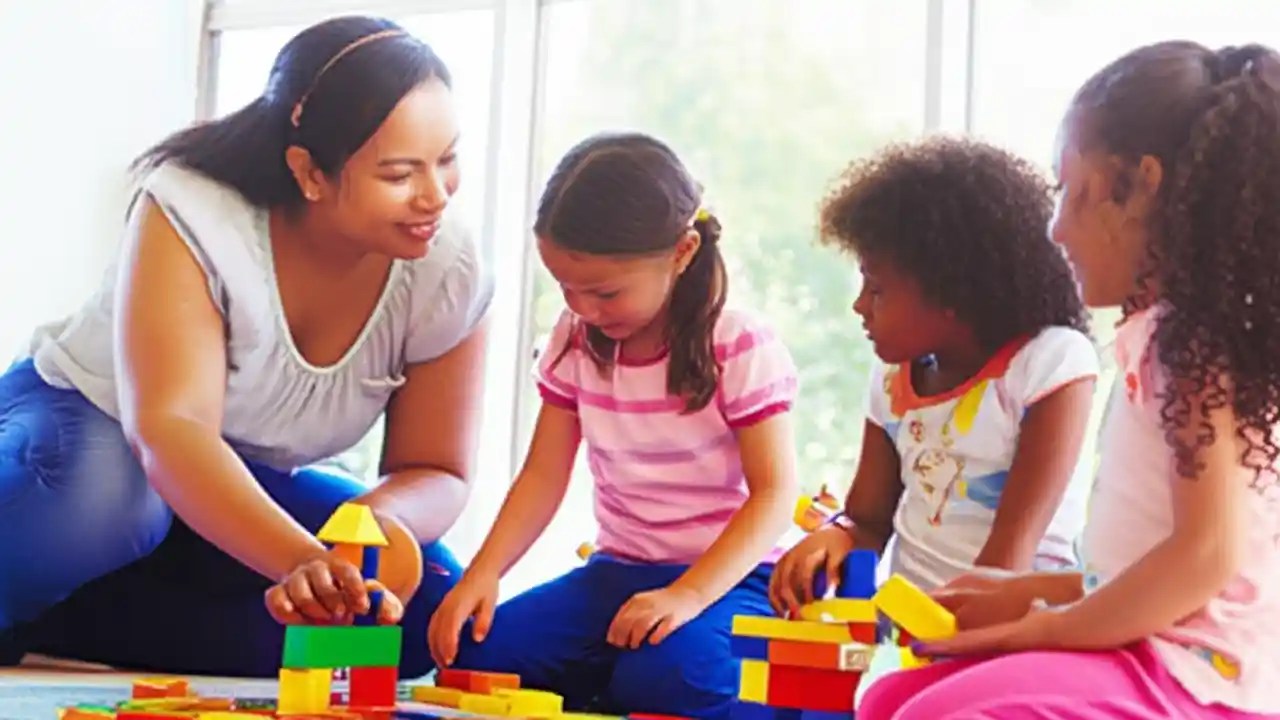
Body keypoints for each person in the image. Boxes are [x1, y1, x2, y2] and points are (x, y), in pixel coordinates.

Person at [0, 15, 492, 677]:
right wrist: (300, 561)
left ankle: (50, 617)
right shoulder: (195, 209)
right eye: (400, 174)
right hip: (93, 434)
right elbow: (171, 430)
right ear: (310, 173)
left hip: (222, 480)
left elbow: (439, 469)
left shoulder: (448, 266)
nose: (435, 195)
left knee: (415, 604)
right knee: (112, 509)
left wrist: (370, 530)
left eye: (448, 159)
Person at [858, 40, 1280, 720]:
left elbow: (1204, 560)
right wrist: (1031, 593)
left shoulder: (1194, 349)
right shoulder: (1162, 338)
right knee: (891, 698)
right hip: (1152, 645)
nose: (1055, 229)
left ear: (1140, 187)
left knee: (928, 715)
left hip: (1198, 675)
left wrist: (1046, 626)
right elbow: (1136, 564)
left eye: (1070, 193)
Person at [425, 132, 800, 719]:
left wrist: (687, 595)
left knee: (671, 675)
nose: (582, 308)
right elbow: (542, 475)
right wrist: (483, 573)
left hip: (732, 578)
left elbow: (776, 494)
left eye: (604, 291)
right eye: (565, 288)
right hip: (617, 573)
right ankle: (619, 682)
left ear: (681, 252)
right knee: (477, 657)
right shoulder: (574, 339)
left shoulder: (738, 342)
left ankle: (654, 683)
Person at [769, 137, 1099, 618]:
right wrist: (834, 538)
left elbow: (1009, 558)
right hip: (911, 627)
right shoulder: (891, 380)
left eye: (877, 289)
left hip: (1012, 625)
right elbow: (868, 521)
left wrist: (936, 640)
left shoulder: (1048, 364)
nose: (860, 306)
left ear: (952, 291)